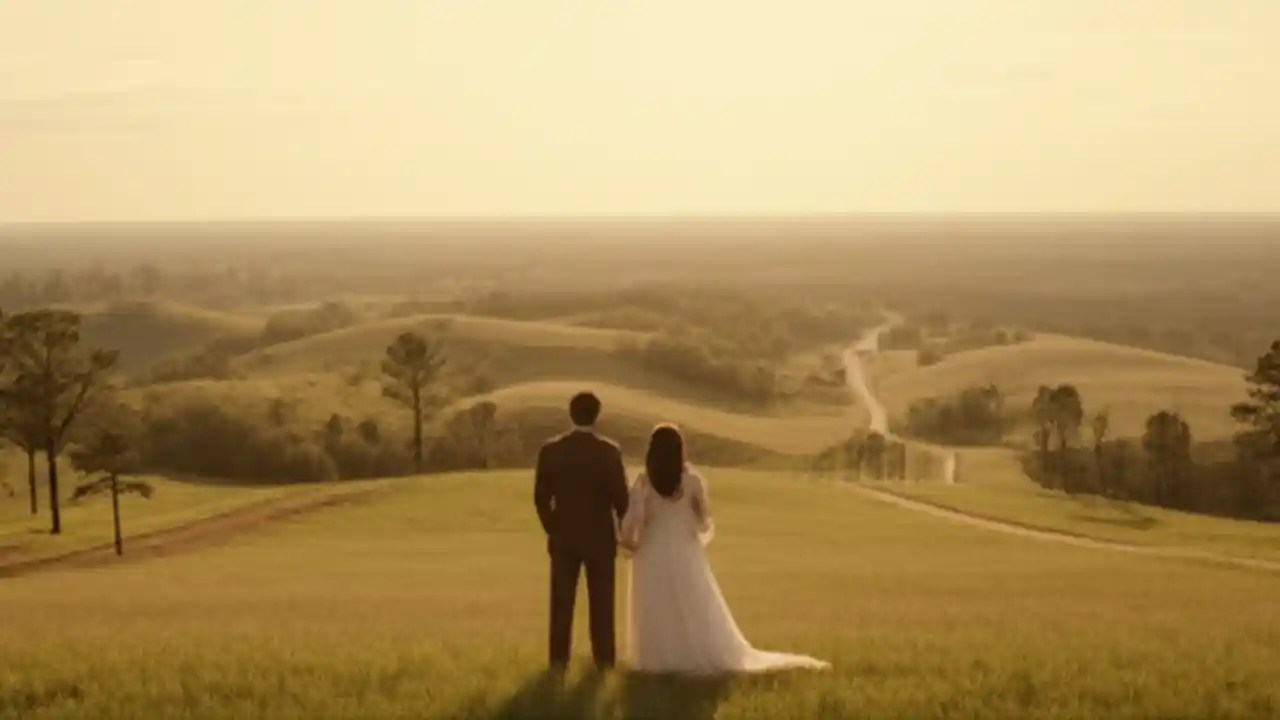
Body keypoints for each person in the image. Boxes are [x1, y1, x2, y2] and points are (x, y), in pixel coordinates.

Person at [620, 424, 829, 674]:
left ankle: (657, 659)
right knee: (692, 604)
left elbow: (636, 521)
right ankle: (690, 653)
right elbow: (702, 522)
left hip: (653, 552)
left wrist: (628, 542)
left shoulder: (643, 482)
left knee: (655, 605)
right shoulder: (692, 481)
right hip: (685, 551)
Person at [533, 391, 629, 670]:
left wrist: (553, 527)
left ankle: (558, 660)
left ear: (570, 413)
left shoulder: (551, 450)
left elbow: (540, 497)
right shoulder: (609, 451)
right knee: (602, 604)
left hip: (564, 536)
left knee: (561, 603)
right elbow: (620, 498)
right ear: (597, 415)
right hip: (600, 537)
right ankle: (604, 660)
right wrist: (625, 530)